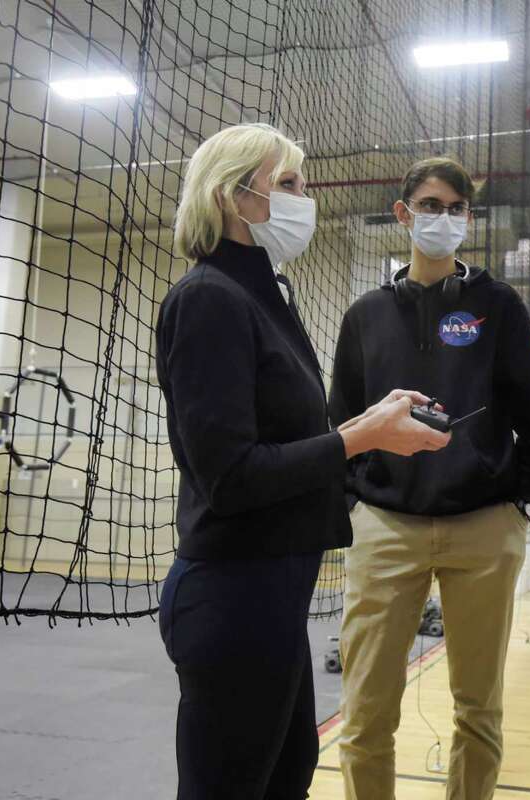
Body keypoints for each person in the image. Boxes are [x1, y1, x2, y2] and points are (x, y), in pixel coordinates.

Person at [155, 123, 451, 800]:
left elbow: (285, 446)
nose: (303, 199)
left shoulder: (264, 295)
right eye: (287, 184)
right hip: (233, 596)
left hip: (276, 595)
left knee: (286, 774)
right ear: (235, 198)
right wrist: (359, 437)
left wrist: (369, 427)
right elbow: (230, 478)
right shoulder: (208, 300)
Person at [329, 156, 530, 800]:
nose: (444, 218)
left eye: (457, 208)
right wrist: (356, 502)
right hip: (386, 527)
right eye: (430, 205)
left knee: (477, 710)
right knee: (368, 711)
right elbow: (341, 421)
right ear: (404, 215)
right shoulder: (365, 316)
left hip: (483, 529)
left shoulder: (498, 306)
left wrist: (517, 501)